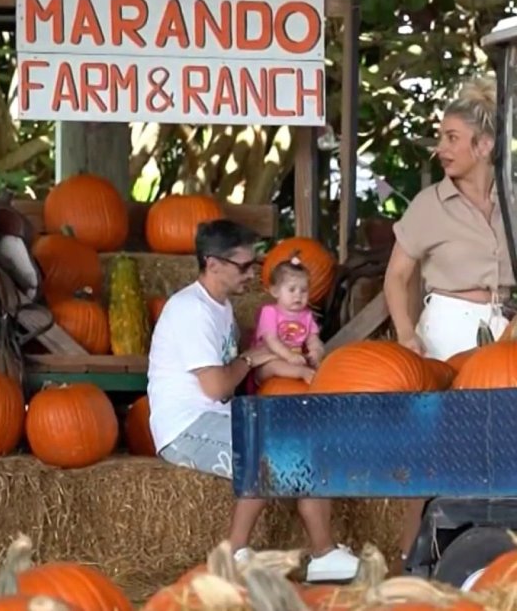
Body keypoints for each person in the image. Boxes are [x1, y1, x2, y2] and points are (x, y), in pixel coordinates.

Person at [147, 219, 360, 582]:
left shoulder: (220, 306)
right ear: (214, 264)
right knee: (265, 449)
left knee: (304, 440)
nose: (252, 274)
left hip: (214, 415)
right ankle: (235, 552)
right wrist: (251, 357)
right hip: (184, 428)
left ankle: (323, 555)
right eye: (244, 266)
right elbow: (216, 387)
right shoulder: (191, 311)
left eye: (253, 264)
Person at [383, 73, 508, 559]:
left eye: (452, 138)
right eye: (441, 138)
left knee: (502, 443)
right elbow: (397, 276)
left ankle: (492, 550)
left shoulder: (511, 200)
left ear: (484, 145)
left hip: (506, 328)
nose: (441, 149)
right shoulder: (428, 205)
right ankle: (409, 558)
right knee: (433, 447)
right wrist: (406, 334)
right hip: (448, 328)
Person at [251, 256, 325, 386]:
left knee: (320, 365)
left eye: (303, 290)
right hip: (269, 358)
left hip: (296, 358)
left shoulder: (307, 315)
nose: (298, 295)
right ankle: (300, 373)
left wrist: (316, 351)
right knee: (273, 366)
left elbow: (313, 339)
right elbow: (271, 340)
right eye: (292, 290)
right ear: (275, 291)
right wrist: (289, 356)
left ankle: (305, 376)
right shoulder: (269, 312)